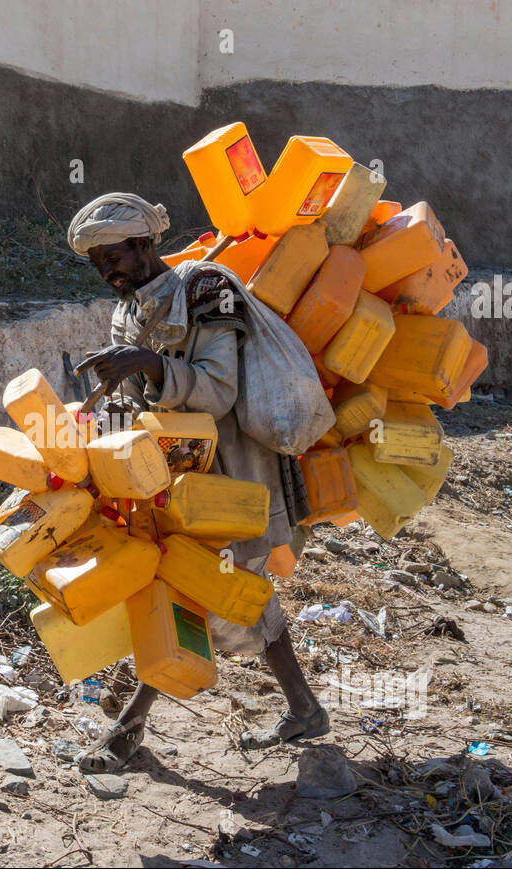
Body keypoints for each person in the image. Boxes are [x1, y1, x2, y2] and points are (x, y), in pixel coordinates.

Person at [67, 192, 329, 774]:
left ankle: (127, 731)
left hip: (235, 471)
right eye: (96, 262)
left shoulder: (208, 289)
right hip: (177, 476)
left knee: (202, 583)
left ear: (145, 244)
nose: (106, 270)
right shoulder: (129, 312)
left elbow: (218, 392)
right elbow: (137, 409)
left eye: (114, 256)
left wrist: (148, 364)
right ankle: (304, 709)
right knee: (207, 582)